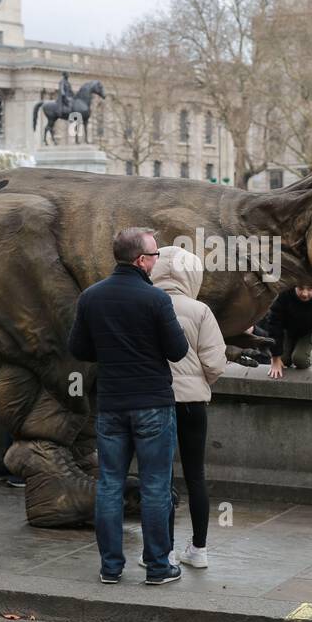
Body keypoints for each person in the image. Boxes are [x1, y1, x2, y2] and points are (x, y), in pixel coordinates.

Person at [67, 227, 189, 585]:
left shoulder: (91, 297)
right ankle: (156, 566)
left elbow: (78, 348)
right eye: (154, 256)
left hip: (111, 404)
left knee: (108, 485)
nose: (156, 261)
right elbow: (177, 351)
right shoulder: (156, 300)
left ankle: (110, 567)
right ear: (140, 260)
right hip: (152, 401)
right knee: (154, 486)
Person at [152, 245, 227, 569]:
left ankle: (163, 550)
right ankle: (199, 549)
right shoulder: (200, 310)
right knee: (195, 474)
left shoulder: (148, 305)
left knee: (161, 477)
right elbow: (215, 362)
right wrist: (201, 381)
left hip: (156, 399)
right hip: (193, 402)